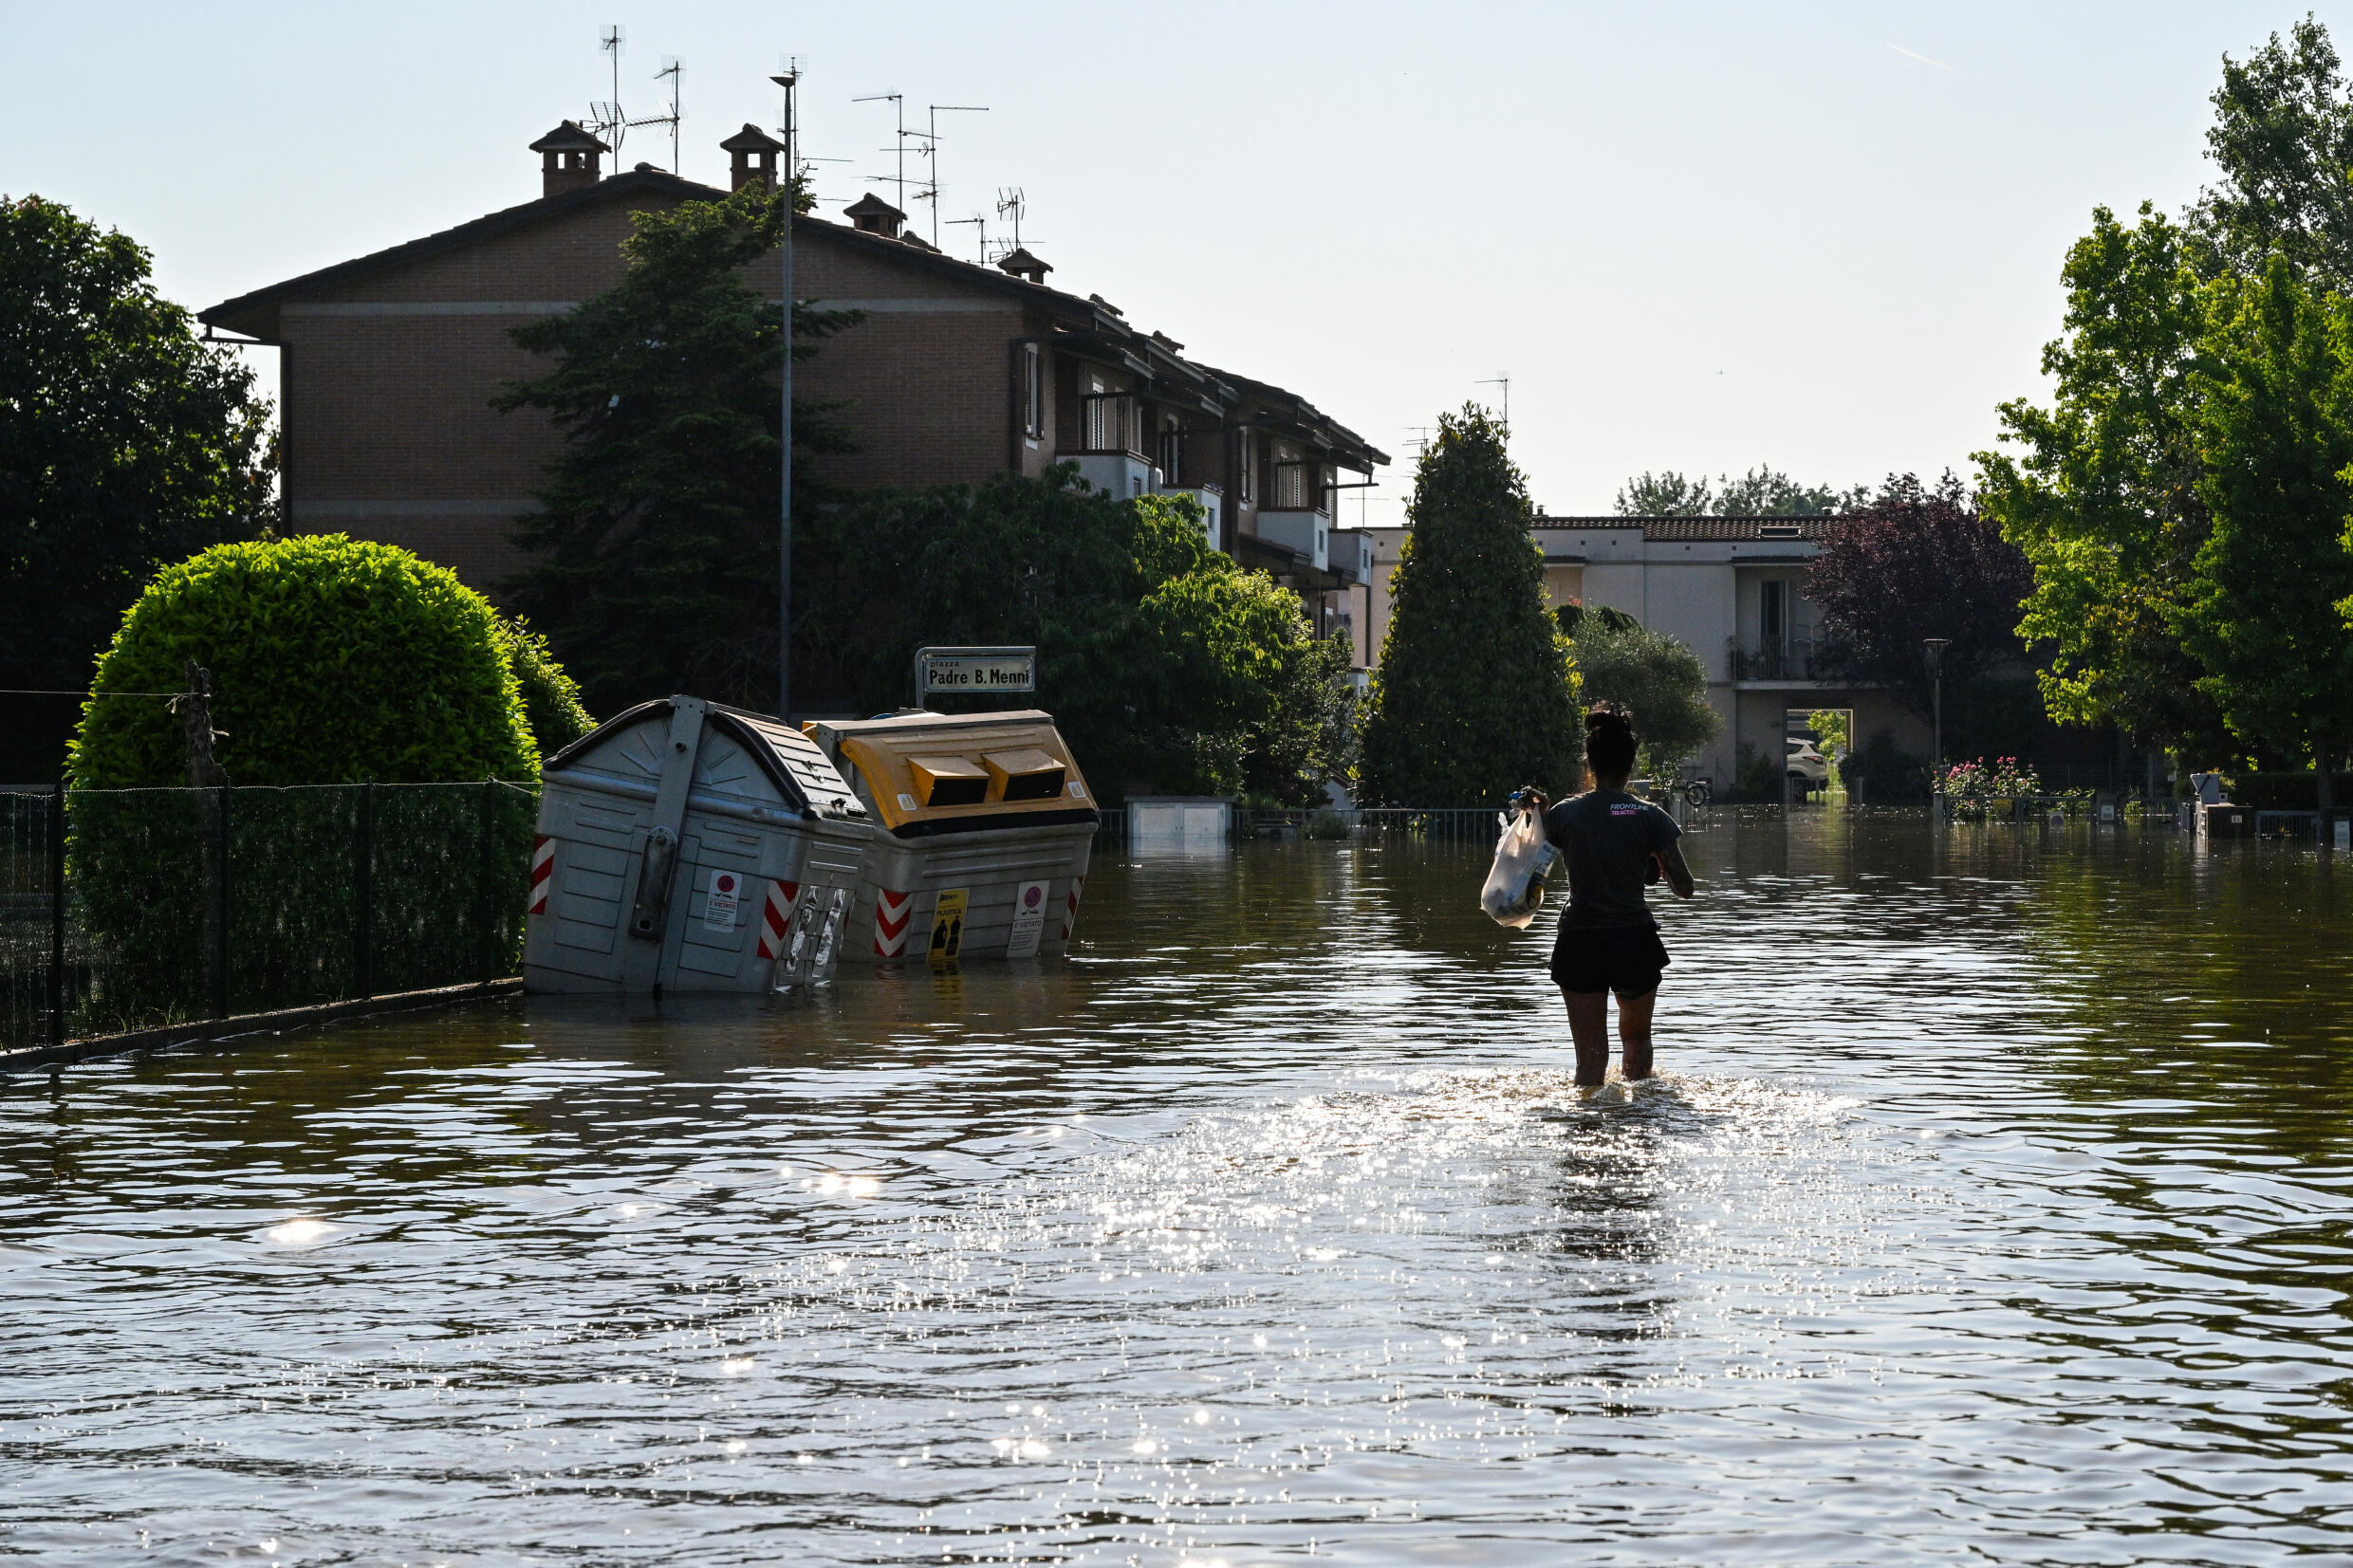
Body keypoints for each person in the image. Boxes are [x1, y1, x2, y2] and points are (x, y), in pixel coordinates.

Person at [1527, 705, 1695, 1087]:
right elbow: (1685, 889)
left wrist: (1541, 813)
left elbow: (1531, 871)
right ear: (1631, 765)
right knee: (1636, 1042)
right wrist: (1657, 860)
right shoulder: (1650, 816)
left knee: (1590, 1059)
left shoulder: (1564, 815)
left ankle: (1587, 1126)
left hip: (1580, 940)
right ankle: (1640, 1122)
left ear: (1590, 763)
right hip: (1633, 940)